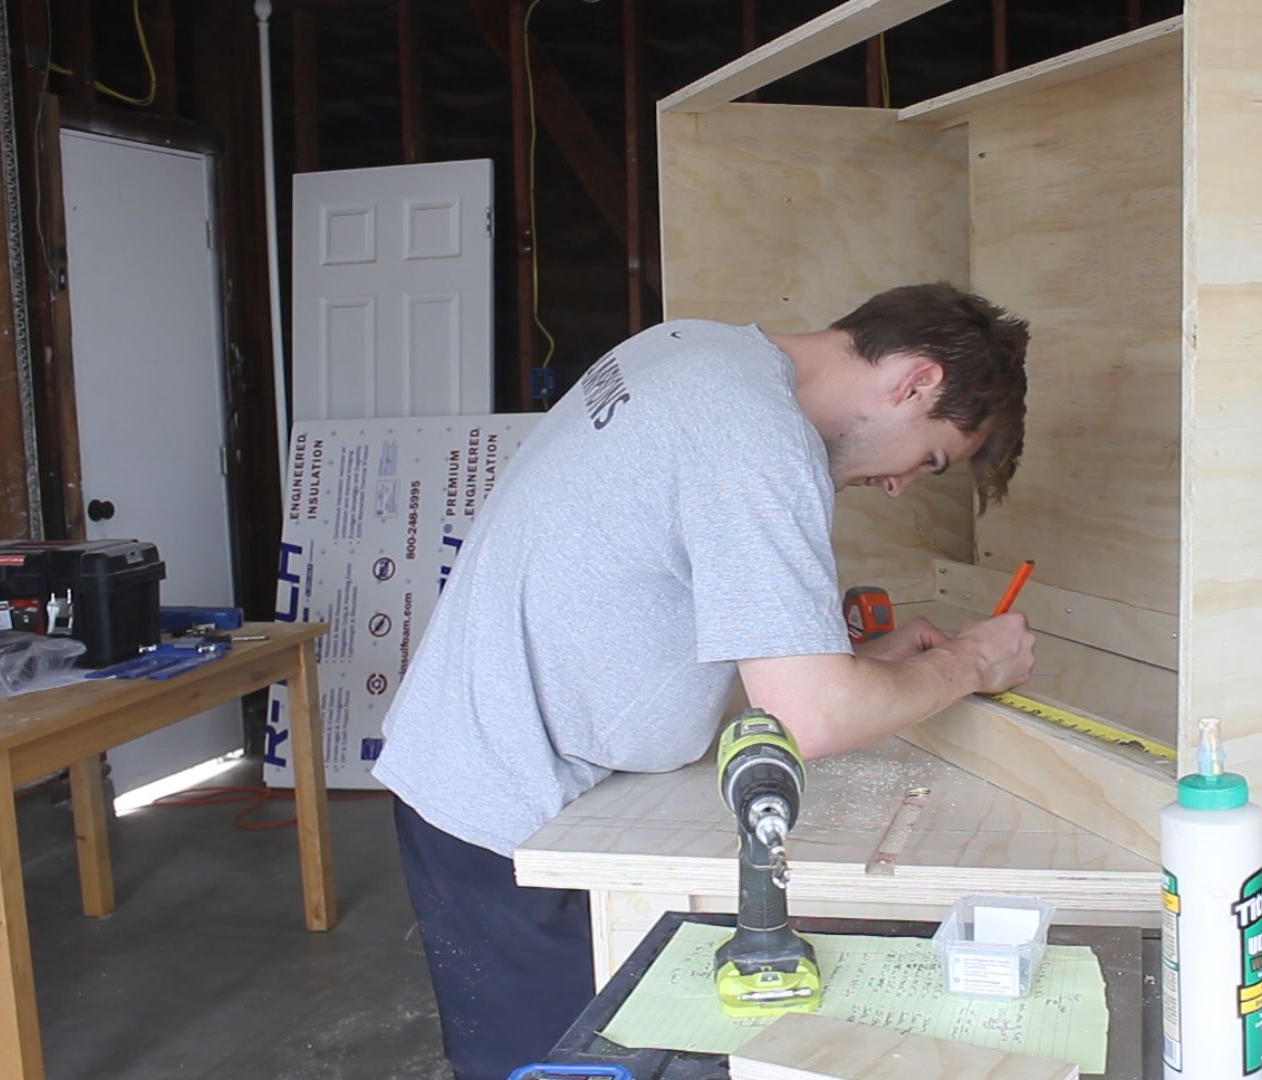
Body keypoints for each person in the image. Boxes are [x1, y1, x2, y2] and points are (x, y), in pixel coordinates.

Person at [370, 281, 1039, 1079]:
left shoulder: (695, 348)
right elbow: (812, 717)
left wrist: (861, 669)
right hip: (507, 810)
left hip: (477, 758)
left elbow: (651, 597)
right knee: (563, 1066)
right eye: (929, 457)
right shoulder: (756, 433)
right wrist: (971, 663)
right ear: (917, 382)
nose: (899, 484)